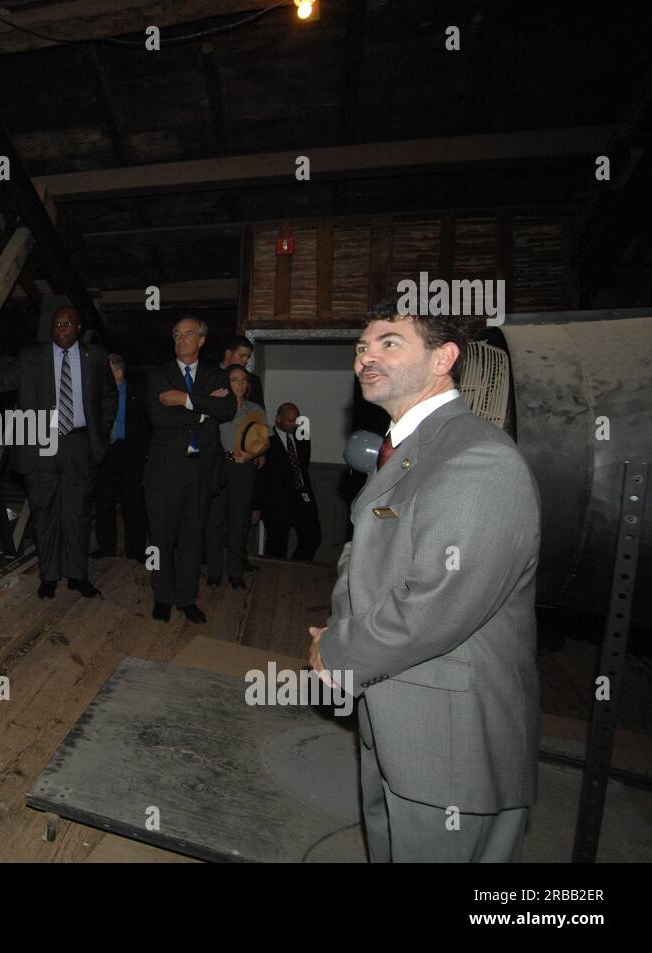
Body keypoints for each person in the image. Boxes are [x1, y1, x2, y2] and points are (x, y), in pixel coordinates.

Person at [311, 301, 541, 862]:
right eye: (362, 346)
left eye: (390, 342)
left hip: (446, 739)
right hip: (393, 711)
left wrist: (338, 652)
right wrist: (341, 632)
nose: (367, 356)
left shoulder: (477, 458)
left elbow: (438, 602)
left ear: (445, 358)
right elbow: (362, 556)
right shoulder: (408, 451)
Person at [0, 306, 117, 598]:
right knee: (43, 513)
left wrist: (99, 438)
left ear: (79, 327)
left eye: (67, 324)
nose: (61, 328)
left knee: (78, 514)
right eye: (57, 323)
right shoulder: (31, 356)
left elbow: (109, 398)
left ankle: (78, 575)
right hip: (40, 445)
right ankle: (48, 576)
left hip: (79, 446)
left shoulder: (96, 357)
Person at [142, 316, 236, 624]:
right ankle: (163, 596)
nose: (181, 339)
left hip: (201, 472)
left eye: (189, 334)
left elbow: (227, 409)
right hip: (164, 474)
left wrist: (184, 399)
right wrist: (202, 410)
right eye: (176, 334)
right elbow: (159, 417)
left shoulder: (215, 375)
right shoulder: (158, 375)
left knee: (192, 539)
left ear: (202, 340)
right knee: (162, 538)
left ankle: (186, 597)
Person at [205, 365, 267, 590]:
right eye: (234, 379)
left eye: (243, 380)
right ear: (226, 383)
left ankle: (235, 573)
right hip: (218, 465)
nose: (239, 384)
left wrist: (253, 454)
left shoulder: (255, 409)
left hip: (243, 467)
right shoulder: (217, 407)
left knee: (239, 522)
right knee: (214, 521)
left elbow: (263, 441)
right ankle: (214, 572)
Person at [93, 354, 149, 562]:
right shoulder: (97, 393)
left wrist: (146, 454)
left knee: (134, 503)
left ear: (118, 371)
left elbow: (147, 424)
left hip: (131, 453)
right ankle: (106, 547)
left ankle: (136, 550)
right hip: (105, 452)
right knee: (104, 501)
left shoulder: (139, 391)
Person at [259, 401, 321, 561]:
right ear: (278, 419)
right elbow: (261, 476)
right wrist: (257, 505)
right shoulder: (267, 439)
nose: (294, 424)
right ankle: (273, 576)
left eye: (296, 420)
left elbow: (303, 466)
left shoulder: (302, 438)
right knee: (277, 543)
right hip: (277, 500)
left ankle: (294, 570)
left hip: (302, 495)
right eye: (289, 420)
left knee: (312, 537)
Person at [221, 335, 264, 408]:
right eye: (242, 356)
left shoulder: (254, 380)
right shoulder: (209, 374)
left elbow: (259, 410)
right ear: (228, 354)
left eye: (248, 357)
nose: (245, 360)